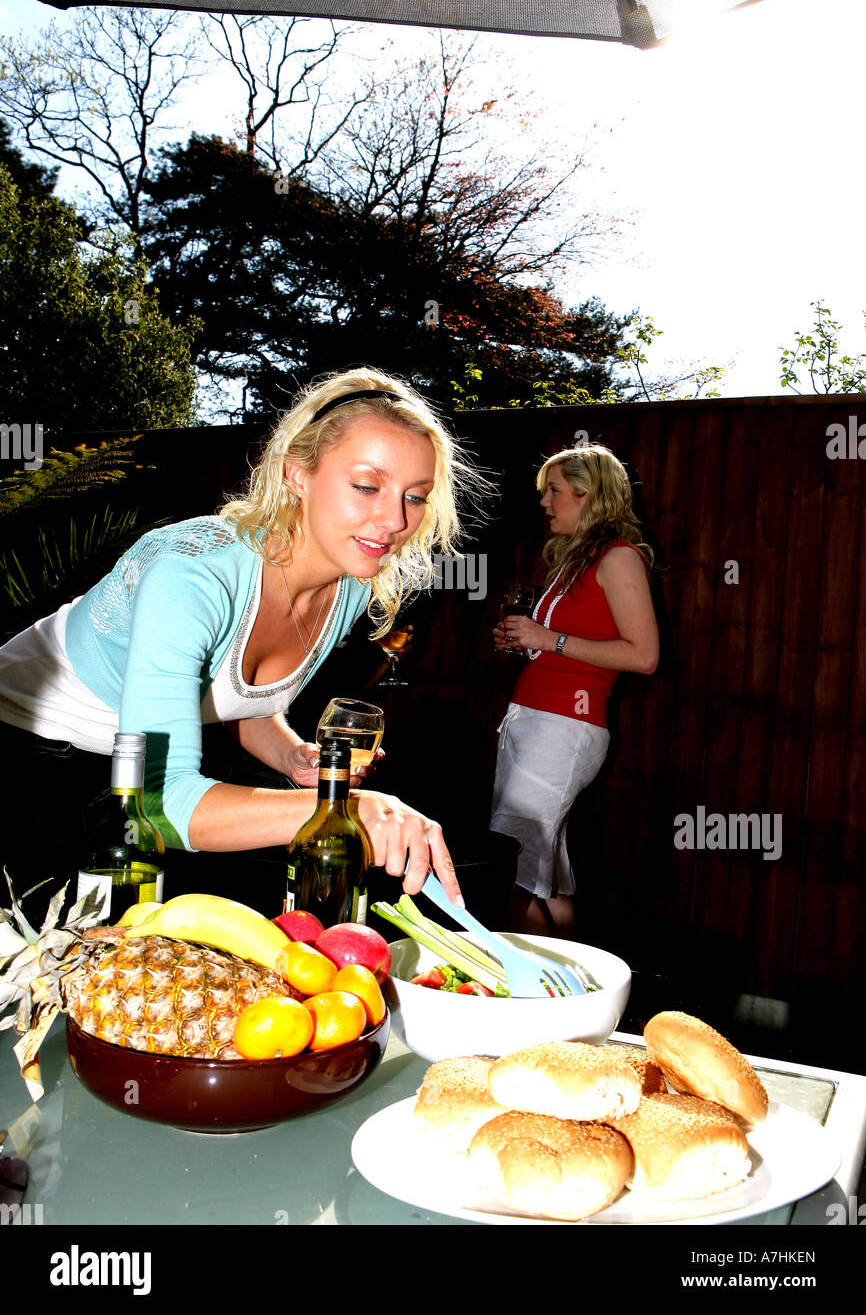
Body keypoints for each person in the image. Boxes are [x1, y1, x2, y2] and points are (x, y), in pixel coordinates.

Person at [0, 368, 471, 904]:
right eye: (366, 485)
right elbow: (164, 806)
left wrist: (294, 756)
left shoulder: (349, 589)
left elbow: (240, 700)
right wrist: (344, 810)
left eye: (416, 497)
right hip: (24, 760)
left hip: (129, 780)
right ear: (298, 474)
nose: (392, 519)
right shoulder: (193, 574)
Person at [490, 444, 659, 938]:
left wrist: (549, 638)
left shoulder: (620, 557)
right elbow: (567, 648)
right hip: (533, 722)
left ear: (588, 496)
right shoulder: (572, 561)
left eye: (555, 492)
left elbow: (643, 656)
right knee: (543, 876)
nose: (545, 502)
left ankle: (517, 990)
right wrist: (529, 644)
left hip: (565, 729)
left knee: (515, 866)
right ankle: (570, 989)